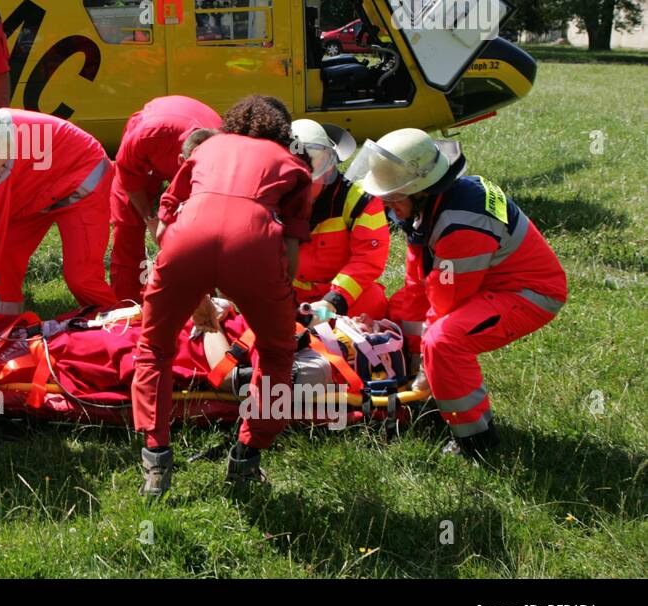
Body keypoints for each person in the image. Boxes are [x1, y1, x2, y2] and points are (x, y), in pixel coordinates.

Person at [132, 95, 313, 496]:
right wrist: (277, 300)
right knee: (278, 354)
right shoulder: (294, 165)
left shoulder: (207, 146)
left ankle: (155, 460)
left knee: (154, 349)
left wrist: (190, 289)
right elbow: (293, 253)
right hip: (254, 248)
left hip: (185, 243)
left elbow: (165, 223)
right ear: (283, 132)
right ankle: (247, 457)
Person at [348, 128, 567, 460]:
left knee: (444, 343)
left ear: (419, 190)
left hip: (528, 294)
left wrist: (427, 368)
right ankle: (422, 393)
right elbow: (416, 289)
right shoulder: (431, 209)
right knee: (408, 308)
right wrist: (387, 327)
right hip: (484, 281)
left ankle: (474, 441)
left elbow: (446, 302)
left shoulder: (459, 224)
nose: (386, 208)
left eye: (392, 199)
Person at [0, 107, 117, 322]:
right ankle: (0, 331)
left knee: (81, 277)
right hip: (33, 189)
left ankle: (123, 328)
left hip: (80, 174)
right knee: (3, 265)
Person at [109, 96, 223, 302]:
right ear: (182, 162)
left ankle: (209, 302)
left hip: (173, 140)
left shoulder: (225, 152)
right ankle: (125, 304)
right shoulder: (146, 137)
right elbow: (127, 175)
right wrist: (150, 218)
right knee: (127, 229)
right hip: (146, 152)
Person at [289, 119, 391, 322]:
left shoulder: (359, 200)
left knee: (372, 304)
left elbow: (367, 260)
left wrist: (333, 301)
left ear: (328, 168)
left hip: (344, 294)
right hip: (290, 294)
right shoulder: (271, 197)